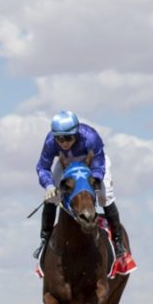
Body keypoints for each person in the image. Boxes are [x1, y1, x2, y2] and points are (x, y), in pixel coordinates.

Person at [34, 110, 131, 264]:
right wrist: (49, 185)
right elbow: (42, 167)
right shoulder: (50, 141)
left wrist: (95, 180)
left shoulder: (91, 137)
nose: (64, 143)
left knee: (105, 197)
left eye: (68, 138)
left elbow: (99, 163)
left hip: (92, 163)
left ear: (76, 133)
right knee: (52, 198)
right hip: (67, 163)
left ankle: (118, 242)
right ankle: (45, 240)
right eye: (59, 139)